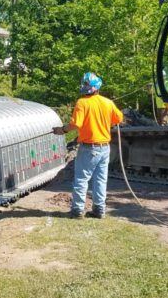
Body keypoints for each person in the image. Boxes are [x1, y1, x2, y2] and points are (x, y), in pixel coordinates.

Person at [52, 72, 124, 219]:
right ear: (98, 87)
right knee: (100, 179)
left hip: (89, 148)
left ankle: (77, 211)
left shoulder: (82, 103)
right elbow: (119, 118)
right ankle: (99, 210)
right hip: (105, 147)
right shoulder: (108, 102)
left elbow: (76, 124)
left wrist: (62, 130)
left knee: (81, 179)